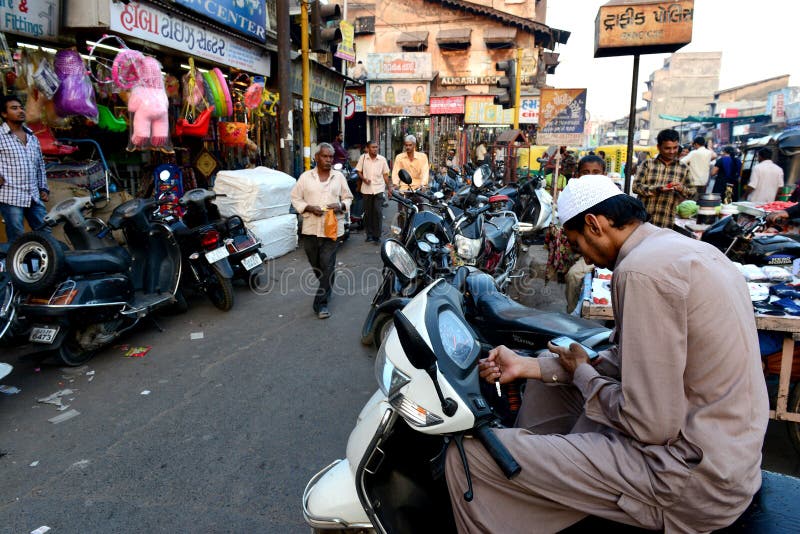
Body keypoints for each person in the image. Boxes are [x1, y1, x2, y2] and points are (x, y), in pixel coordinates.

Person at [445, 174, 769, 533]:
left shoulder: (640, 273)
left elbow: (649, 424)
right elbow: (634, 361)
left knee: (471, 456)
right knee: (547, 386)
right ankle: (546, 478)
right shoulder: (683, 249)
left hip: (688, 477)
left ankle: (530, 479)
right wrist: (532, 366)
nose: (585, 257)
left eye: (576, 243)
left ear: (594, 224)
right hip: (728, 460)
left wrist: (585, 374)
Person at [290, 143, 353, 319]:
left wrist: (340, 205)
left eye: (331, 157)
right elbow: (295, 198)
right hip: (310, 228)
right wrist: (309, 207)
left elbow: (348, 197)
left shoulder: (338, 177)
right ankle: (326, 284)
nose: (328, 160)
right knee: (317, 265)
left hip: (332, 228)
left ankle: (321, 304)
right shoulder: (305, 177)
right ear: (316, 157)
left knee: (328, 264)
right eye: (325, 156)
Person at [0, 95, 49, 244]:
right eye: (14, 108)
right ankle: (18, 267)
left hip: (33, 195)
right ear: (4, 114)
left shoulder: (32, 137)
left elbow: (40, 165)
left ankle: (49, 265)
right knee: (17, 238)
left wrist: (44, 188)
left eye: (21, 108)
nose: (20, 111)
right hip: (11, 196)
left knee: (46, 233)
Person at [563, 155, 607, 313]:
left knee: (574, 275)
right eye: (585, 172)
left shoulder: (610, 196)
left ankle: (573, 312)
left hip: (603, 250)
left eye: (596, 173)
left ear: (604, 175)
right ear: (577, 175)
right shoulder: (573, 196)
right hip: (582, 249)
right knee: (570, 275)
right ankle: (572, 311)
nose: (591, 177)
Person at [631, 129, 694, 228]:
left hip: (665, 221)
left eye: (675, 148)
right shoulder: (647, 164)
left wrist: (682, 188)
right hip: (642, 221)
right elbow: (635, 187)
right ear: (659, 147)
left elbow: (692, 193)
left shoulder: (683, 168)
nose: (672, 152)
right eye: (667, 148)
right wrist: (658, 189)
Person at [355, 140, 390, 244]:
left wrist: (390, 188)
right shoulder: (363, 158)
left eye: (376, 147)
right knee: (368, 213)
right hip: (366, 190)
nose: (375, 149)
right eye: (373, 147)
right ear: (368, 148)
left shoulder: (382, 159)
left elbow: (385, 175)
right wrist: (364, 179)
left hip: (379, 189)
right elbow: (358, 171)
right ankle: (369, 234)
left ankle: (377, 236)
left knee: (378, 212)